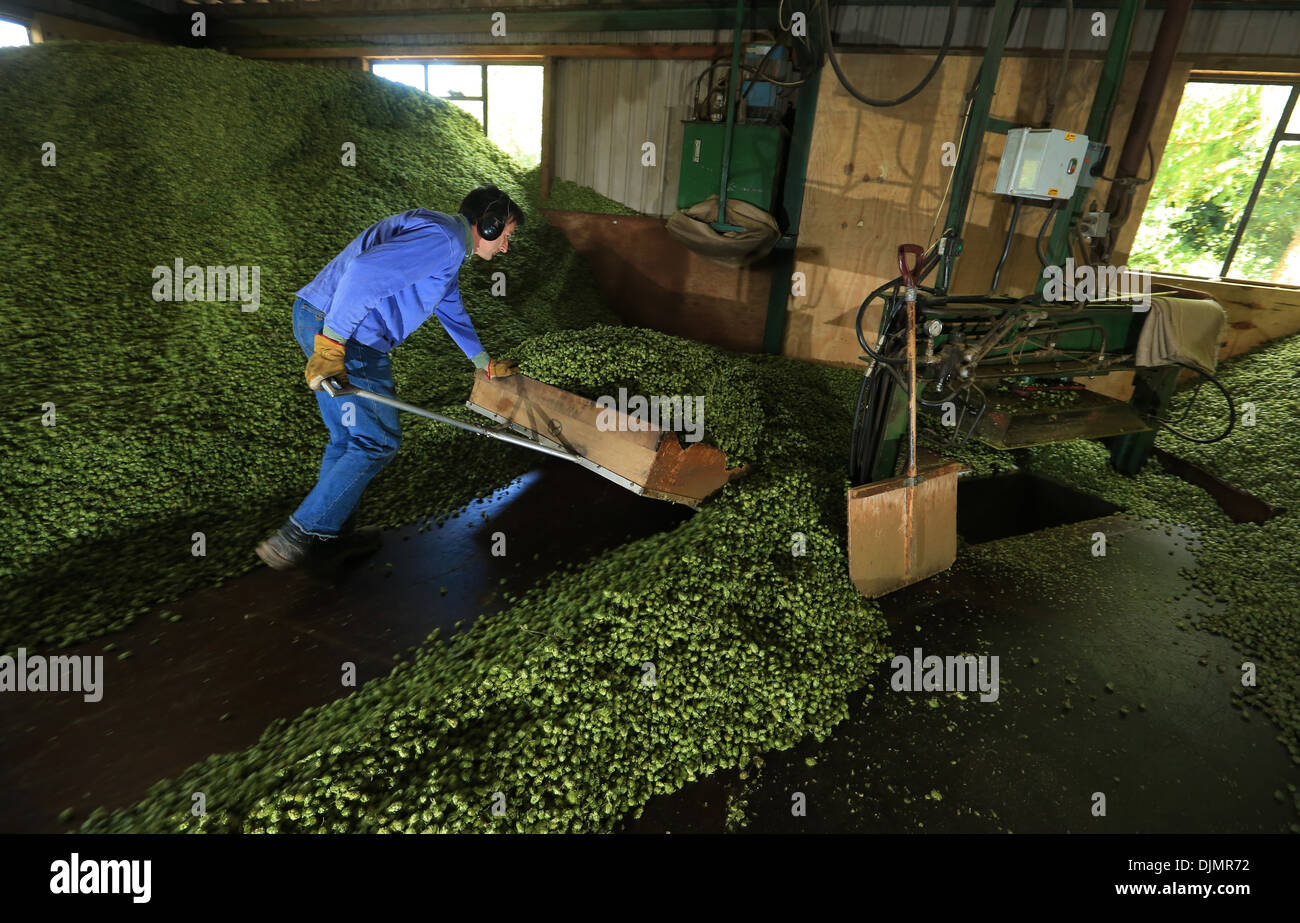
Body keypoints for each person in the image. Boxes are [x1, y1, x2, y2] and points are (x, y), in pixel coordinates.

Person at [255, 185, 523, 571]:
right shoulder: (445, 240)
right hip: (349, 336)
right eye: (507, 236)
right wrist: (332, 345)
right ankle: (298, 535)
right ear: (491, 223)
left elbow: (448, 304)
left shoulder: (446, 242)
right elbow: (366, 273)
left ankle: (330, 537)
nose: (505, 248)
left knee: (349, 436)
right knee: (376, 441)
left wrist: (482, 360)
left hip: (319, 317)